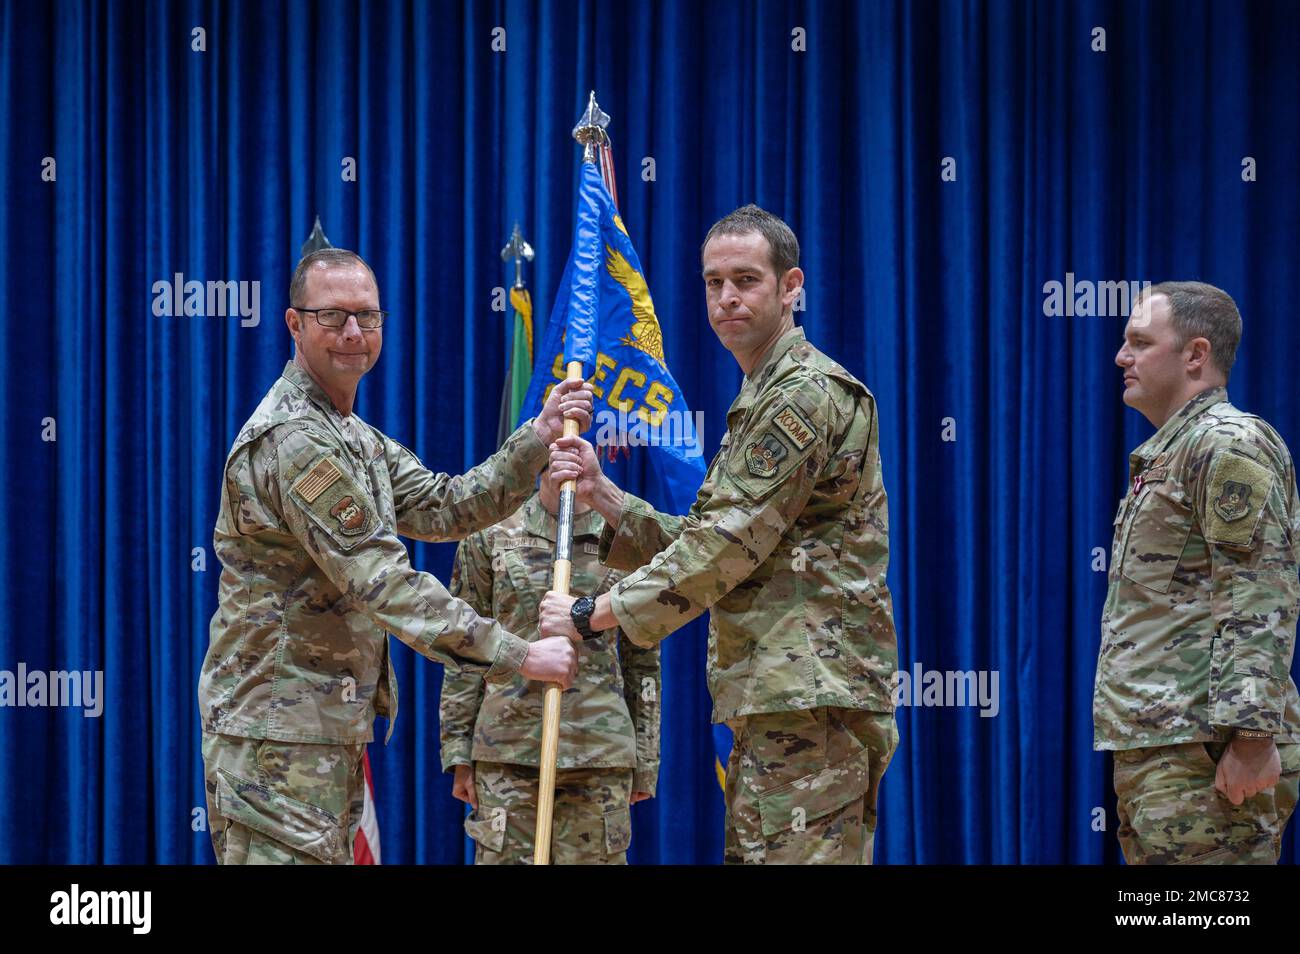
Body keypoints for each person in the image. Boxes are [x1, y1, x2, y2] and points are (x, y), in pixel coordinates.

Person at [198, 247, 589, 864]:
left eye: (367, 316)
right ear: (294, 325)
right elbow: (384, 582)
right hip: (277, 737)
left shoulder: (350, 433)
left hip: (318, 728)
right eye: (332, 317)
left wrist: (537, 437)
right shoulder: (295, 438)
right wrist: (519, 654)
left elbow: (445, 506)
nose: (354, 333)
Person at [540, 205, 899, 864]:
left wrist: (594, 614)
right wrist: (604, 495)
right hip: (781, 694)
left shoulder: (800, 392)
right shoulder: (763, 392)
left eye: (747, 280)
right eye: (714, 283)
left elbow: (725, 546)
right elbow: (722, 536)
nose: (728, 297)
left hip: (808, 698)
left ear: (792, 286)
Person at [1095, 281, 1300, 864]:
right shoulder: (1172, 451)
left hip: (1206, 750)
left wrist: (1254, 738)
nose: (1121, 356)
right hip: (1163, 747)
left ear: (1195, 355)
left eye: (1139, 342)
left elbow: (1260, 591)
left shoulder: (1228, 443)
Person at [440, 463, 661, 864]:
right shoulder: (491, 533)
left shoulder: (624, 539)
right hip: (507, 748)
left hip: (598, 751)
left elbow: (643, 659)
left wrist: (644, 760)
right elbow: (464, 646)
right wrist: (458, 751)